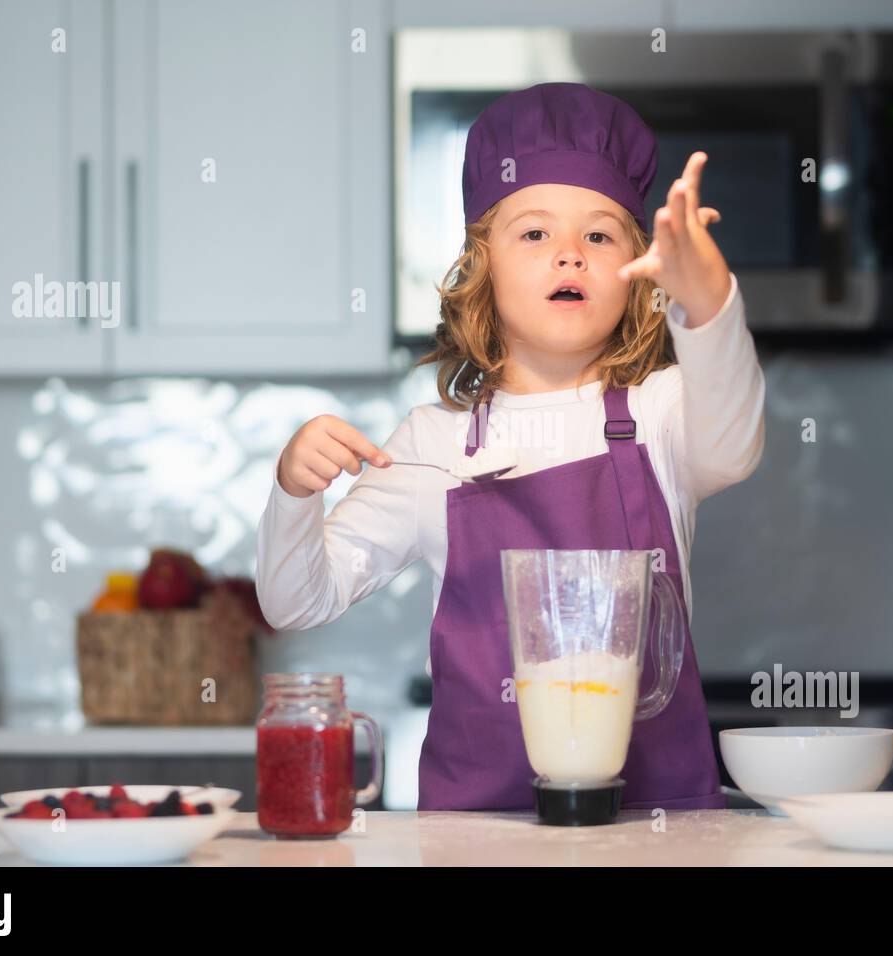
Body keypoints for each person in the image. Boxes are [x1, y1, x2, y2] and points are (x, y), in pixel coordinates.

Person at [257, 82, 766, 810]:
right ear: (481, 266)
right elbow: (294, 602)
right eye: (534, 234)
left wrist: (709, 304)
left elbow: (734, 444)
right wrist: (295, 493)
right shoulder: (432, 446)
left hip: (659, 841)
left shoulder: (660, 415)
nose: (570, 255)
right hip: (476, 843)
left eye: (599, 235)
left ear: (636, 272)